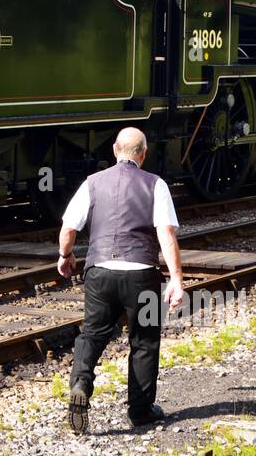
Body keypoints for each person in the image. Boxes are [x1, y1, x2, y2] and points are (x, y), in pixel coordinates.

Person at [56, 127, 185, 433]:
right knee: (144, 341)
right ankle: (140, 412)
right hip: (142, 275)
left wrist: (65, 256)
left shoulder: (92, 183)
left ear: (114, 150)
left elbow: (68, 228)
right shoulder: (156, 184)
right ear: (144, 154)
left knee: (91, 334)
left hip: (99, 271)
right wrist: (177, 278)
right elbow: (166, 234)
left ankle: (81, 386)